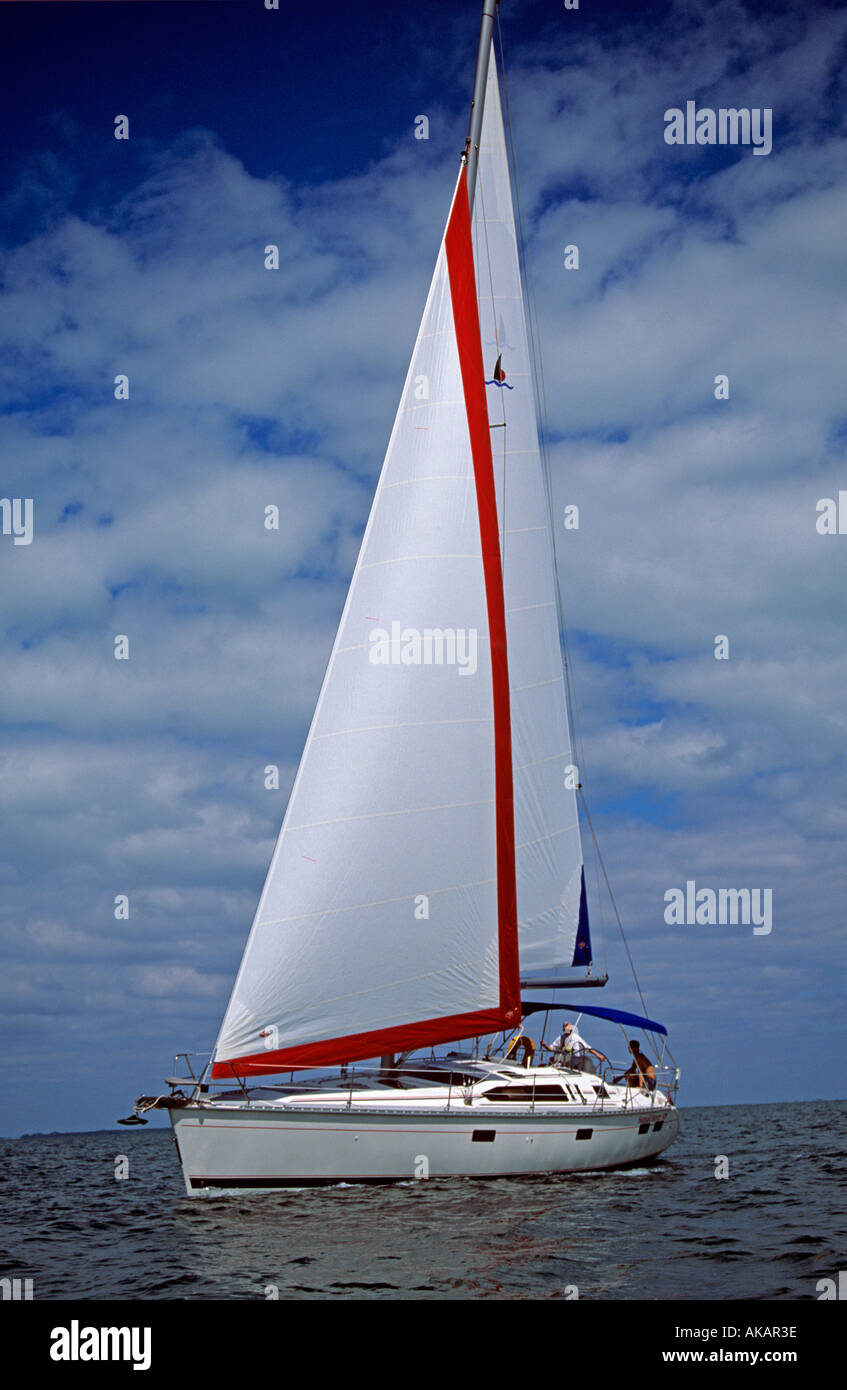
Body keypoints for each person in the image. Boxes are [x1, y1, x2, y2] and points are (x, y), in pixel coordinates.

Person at [540, 1020, 607, 1072]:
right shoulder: (561, 1038)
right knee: (551, 1059)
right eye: (565, 1028)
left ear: (571, 1029)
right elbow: (552, 1048)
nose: (566, 1029)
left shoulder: (575, 1037)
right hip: (563, 1061)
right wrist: (545, 1045)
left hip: (574, 1061)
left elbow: (588, 1048)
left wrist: (598, 1055)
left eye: (568, 1028)